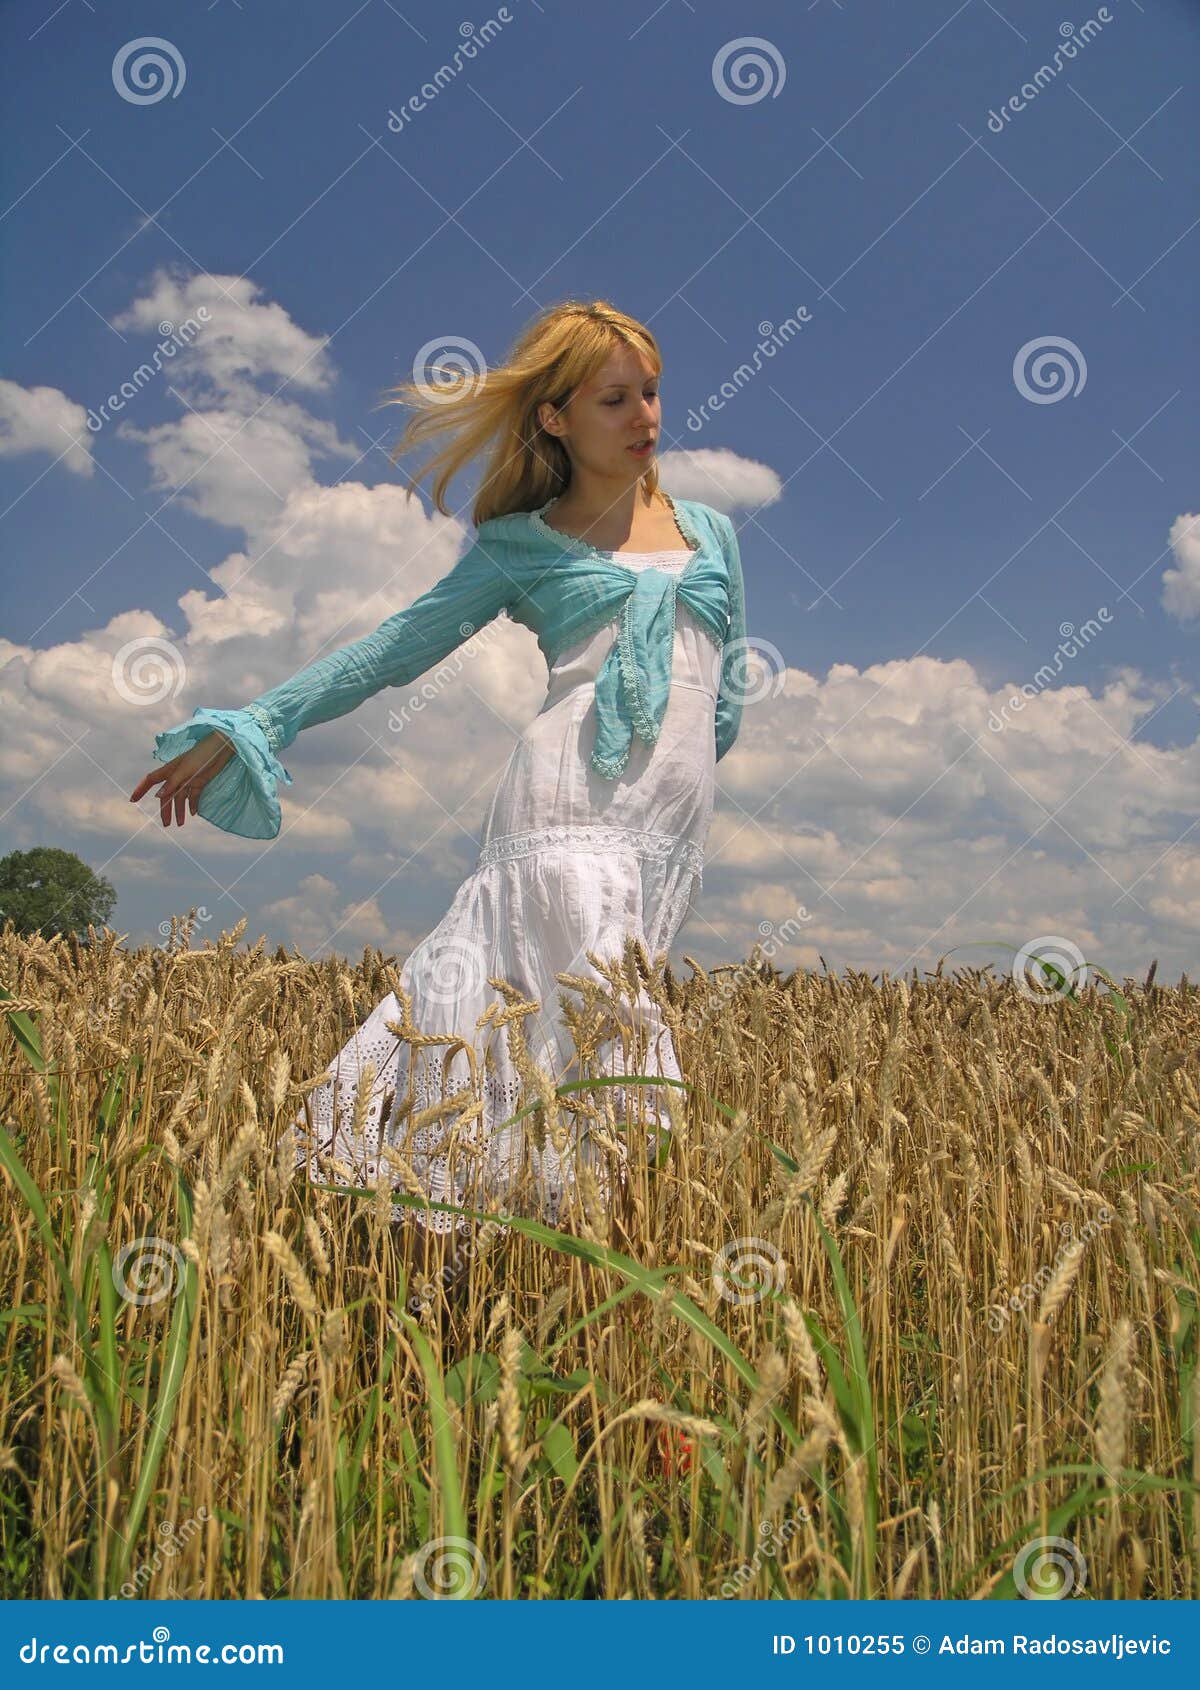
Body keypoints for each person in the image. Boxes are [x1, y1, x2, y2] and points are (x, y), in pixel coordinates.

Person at [129, 299, 747, 1246]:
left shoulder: (710, 532)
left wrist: (679, 777)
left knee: (556, 1048)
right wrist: (254, 723)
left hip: (666, 837)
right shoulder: (520, 545)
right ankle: (498, 1238)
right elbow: (392, 649)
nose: (646, 418)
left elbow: (725, 695)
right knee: (612, 1051)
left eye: (653, 394)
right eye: (615, 399)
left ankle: (480, 1252)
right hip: (563, 813)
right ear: (555, 417)